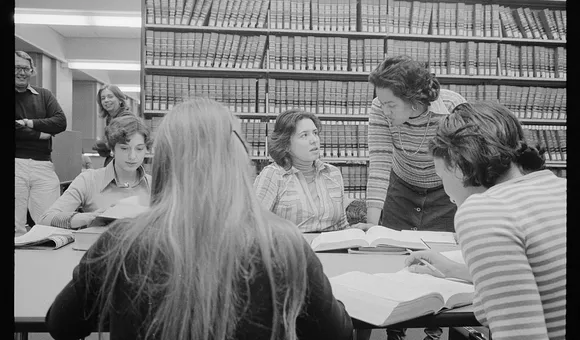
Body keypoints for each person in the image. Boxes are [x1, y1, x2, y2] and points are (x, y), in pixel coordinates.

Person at [45, 98, 353, 340]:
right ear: (237, 156)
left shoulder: (121, 241)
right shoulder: (285, 243)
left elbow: (60, 325)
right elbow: (337, 333)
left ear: (164, 159)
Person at [405, 101, 566, 340]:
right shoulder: (558, 189)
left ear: (458, 167)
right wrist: (456, 270)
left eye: (441, 177)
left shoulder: (483, 211)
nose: (448, 196)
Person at [366, 55, 467, 233]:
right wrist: (372, 228)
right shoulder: (379, 110)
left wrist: (467, 219)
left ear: (412, 98)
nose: (385, 111)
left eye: (391, 105)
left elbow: (467, 166)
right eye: (382, 103)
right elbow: (379, 165)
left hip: (446, 194)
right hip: (401, 191)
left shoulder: (451, 106)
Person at [38, 115, 152, 229]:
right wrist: (90, 218)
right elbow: (46, 218)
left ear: (146, 149)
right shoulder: (89, 180)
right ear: (112, 150)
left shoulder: (155, 185)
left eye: (139, 149)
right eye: (124, 148)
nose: (132, 156)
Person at [253, 109, 351, 232]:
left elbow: (341, 225)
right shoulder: (273, 175)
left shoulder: (333, 173)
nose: (314, 140)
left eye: (315, 133)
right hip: (290, 248)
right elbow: (254, 225)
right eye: (304, 135)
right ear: (286, 144)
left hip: (333, 250)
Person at [15, 50, 67, 237]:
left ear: (32, 71)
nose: (21, 72)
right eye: (16, 68)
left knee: (49, 223)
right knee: (15, 228)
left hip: (43, 165)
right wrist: (41, 135)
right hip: (15, 163)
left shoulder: (44, 95)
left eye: (25, 68)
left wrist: (29, 123)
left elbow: (60, 122)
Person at [92, 84, 135, 167]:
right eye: (103, 98)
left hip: (125, 163)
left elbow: (122, 142)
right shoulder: (110, 118)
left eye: (110, 97)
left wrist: (105, 145)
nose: (106, 100)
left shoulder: (126, 118)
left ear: (120, 100)